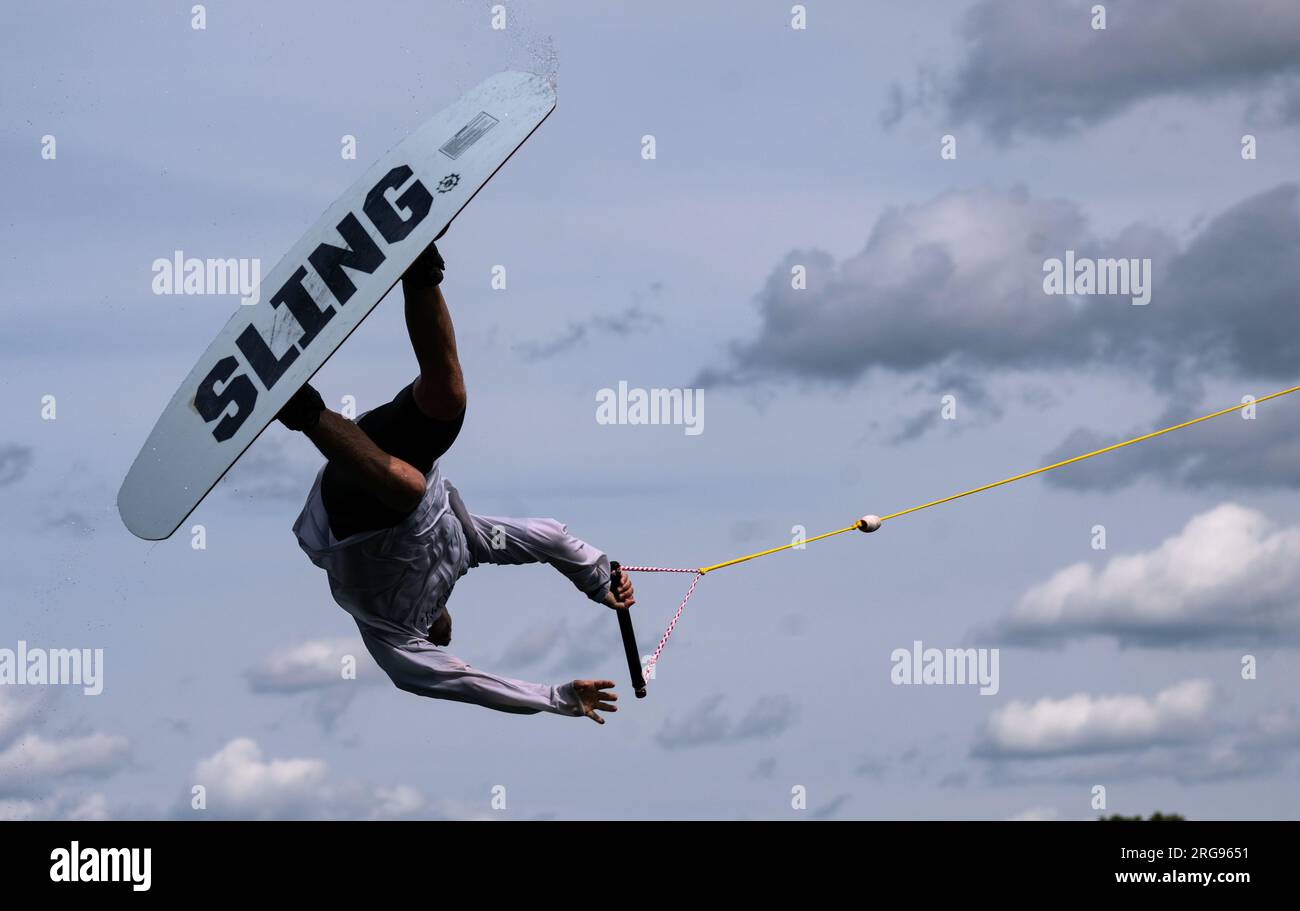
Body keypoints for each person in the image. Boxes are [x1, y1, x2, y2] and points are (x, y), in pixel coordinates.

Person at [278, 239, 634, 723]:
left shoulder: (393, 634)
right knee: (448, 399)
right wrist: (597, 578)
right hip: (381, 462)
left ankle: (301, 409)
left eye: (439, 636)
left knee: (407, 489)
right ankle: (420, 268)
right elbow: (548, 536)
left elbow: (464, 680)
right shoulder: (468, 546)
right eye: (446, 631)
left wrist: (557, 698)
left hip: (346, 509)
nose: (445, 635)